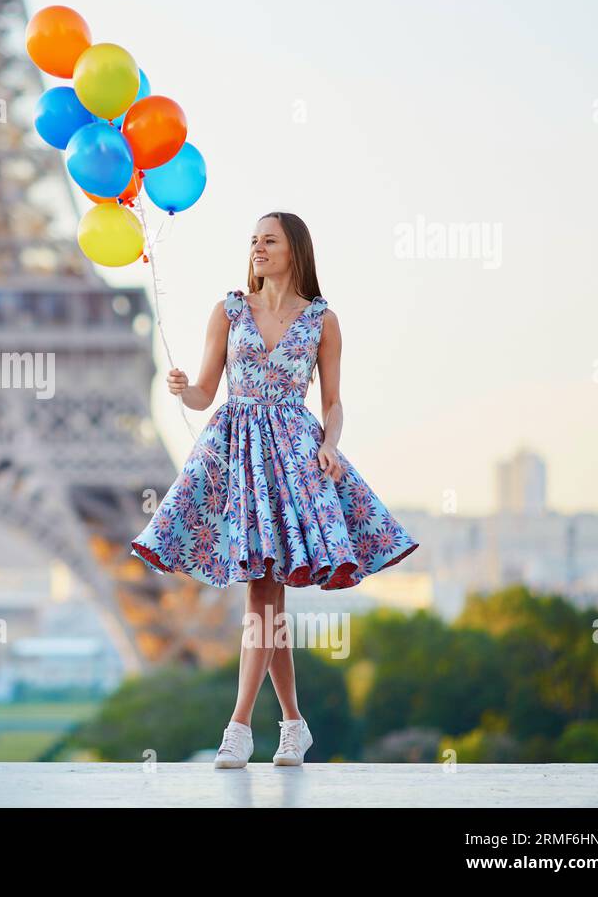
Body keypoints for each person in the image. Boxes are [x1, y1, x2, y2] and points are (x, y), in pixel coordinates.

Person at [128, 211, 419, 769]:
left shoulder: (322, 321)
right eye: (253, 241)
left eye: (270, 240)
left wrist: (330, 443)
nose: (258, 248)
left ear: (295, 251)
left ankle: (242, 727)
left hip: (293, 459)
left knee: (267, 596)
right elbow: (207, 393)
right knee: (265, 596)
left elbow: (332, 401)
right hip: (237, 455)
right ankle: (287, 725)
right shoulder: (229, 309)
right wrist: (184, 388)